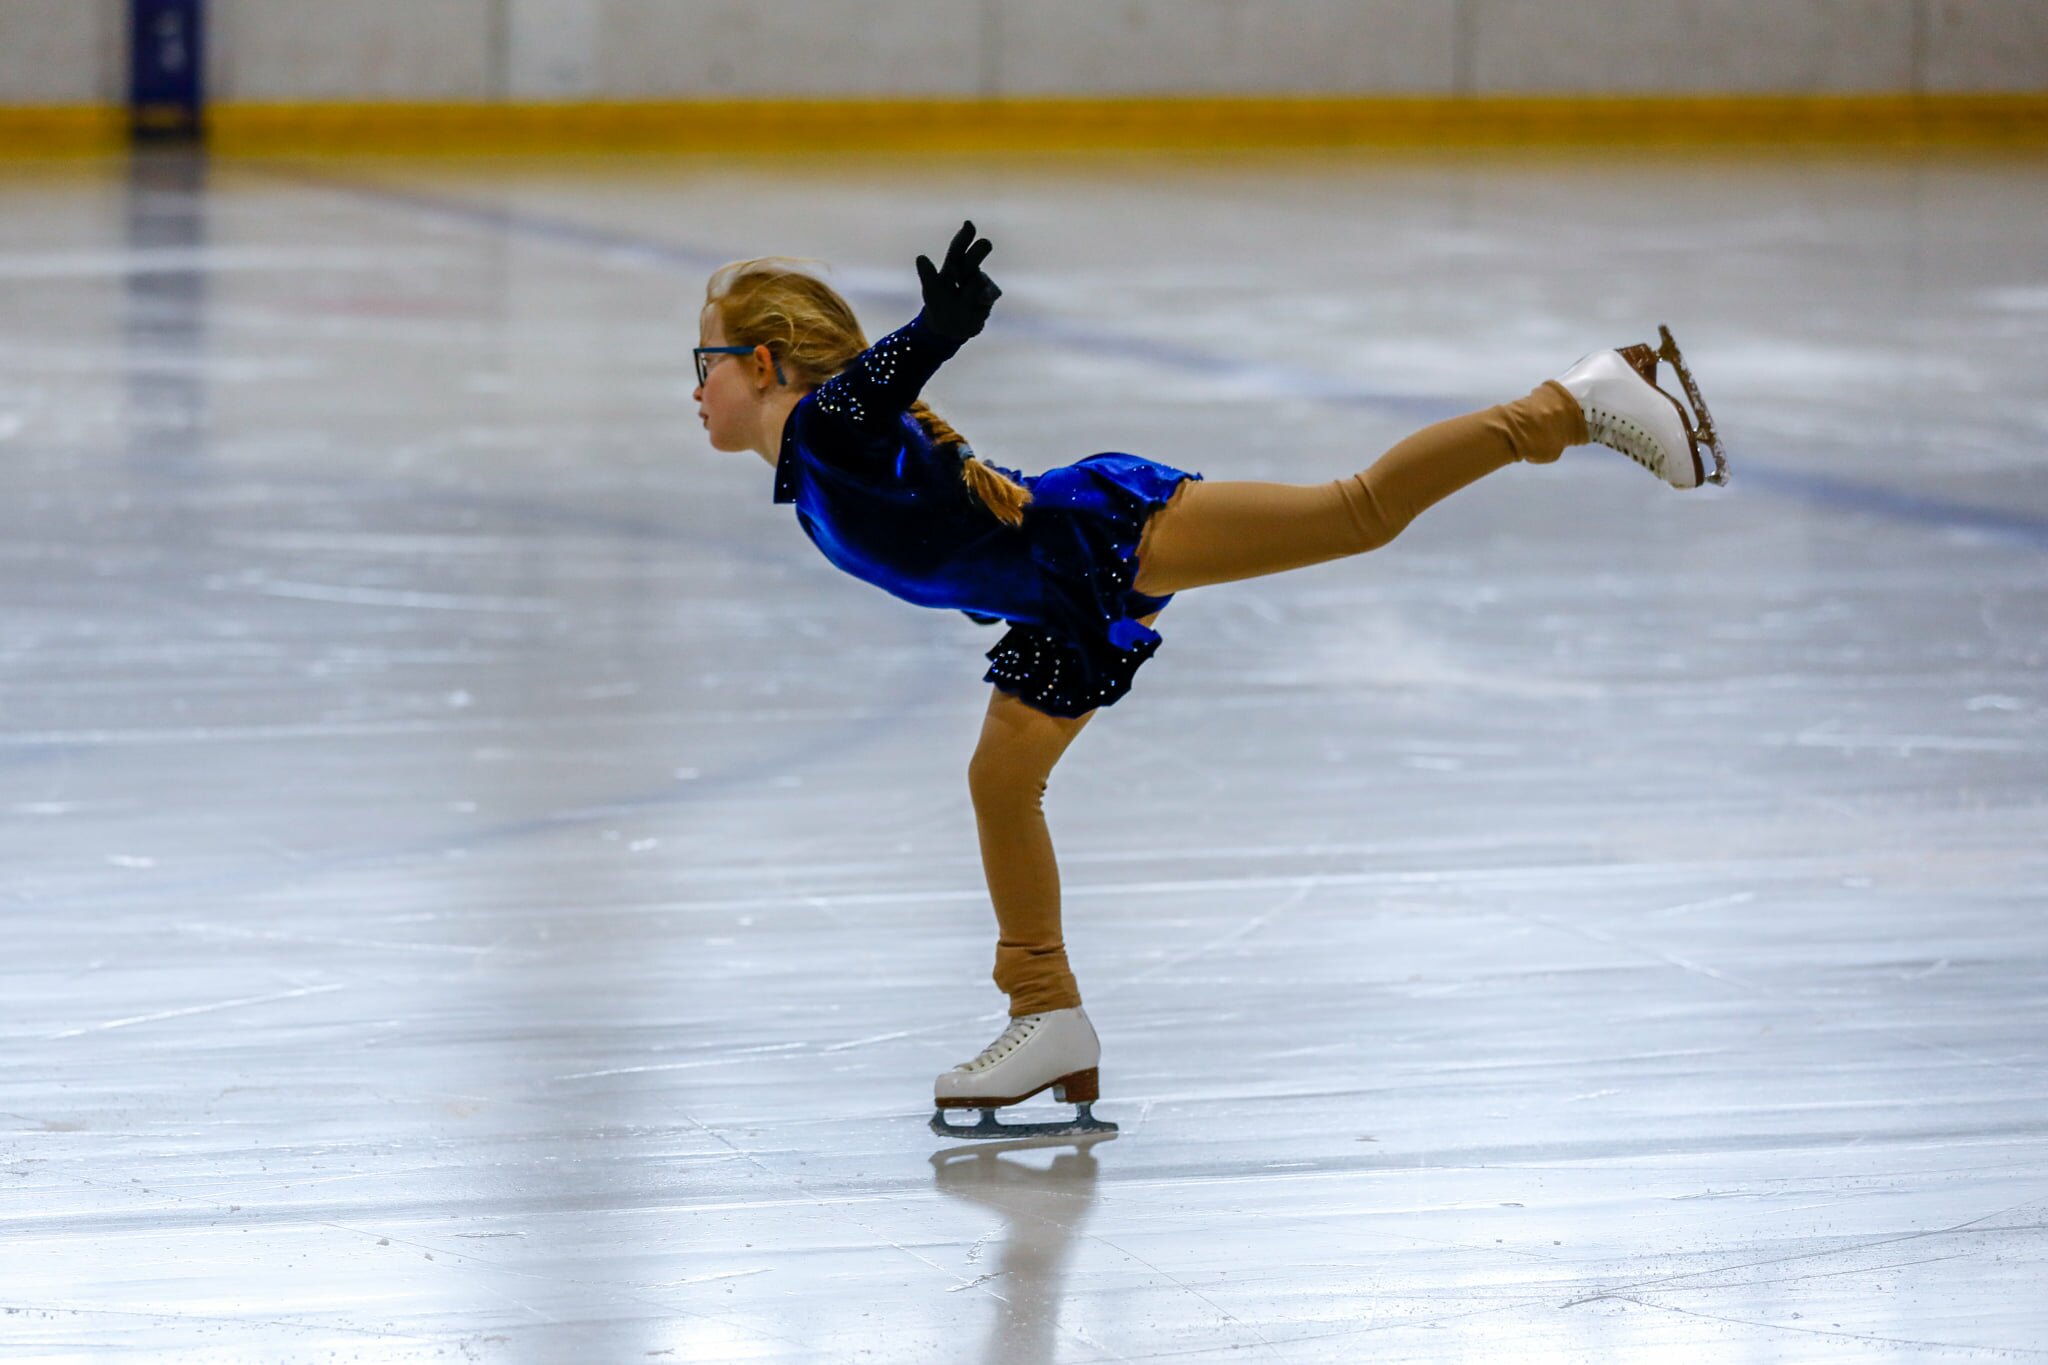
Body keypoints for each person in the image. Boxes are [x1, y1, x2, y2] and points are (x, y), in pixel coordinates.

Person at [694, 222, 1727, 1139]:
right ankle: (1044, 1018)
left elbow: (875, 384)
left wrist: (937, 329)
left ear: (763, 360)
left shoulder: (828, 425)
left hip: (1101, 540)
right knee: (999, 784)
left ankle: (1572, 404)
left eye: (705, 362)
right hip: (1055, 603)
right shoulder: (821, 467)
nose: (694, 388)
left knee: (1353, 512)